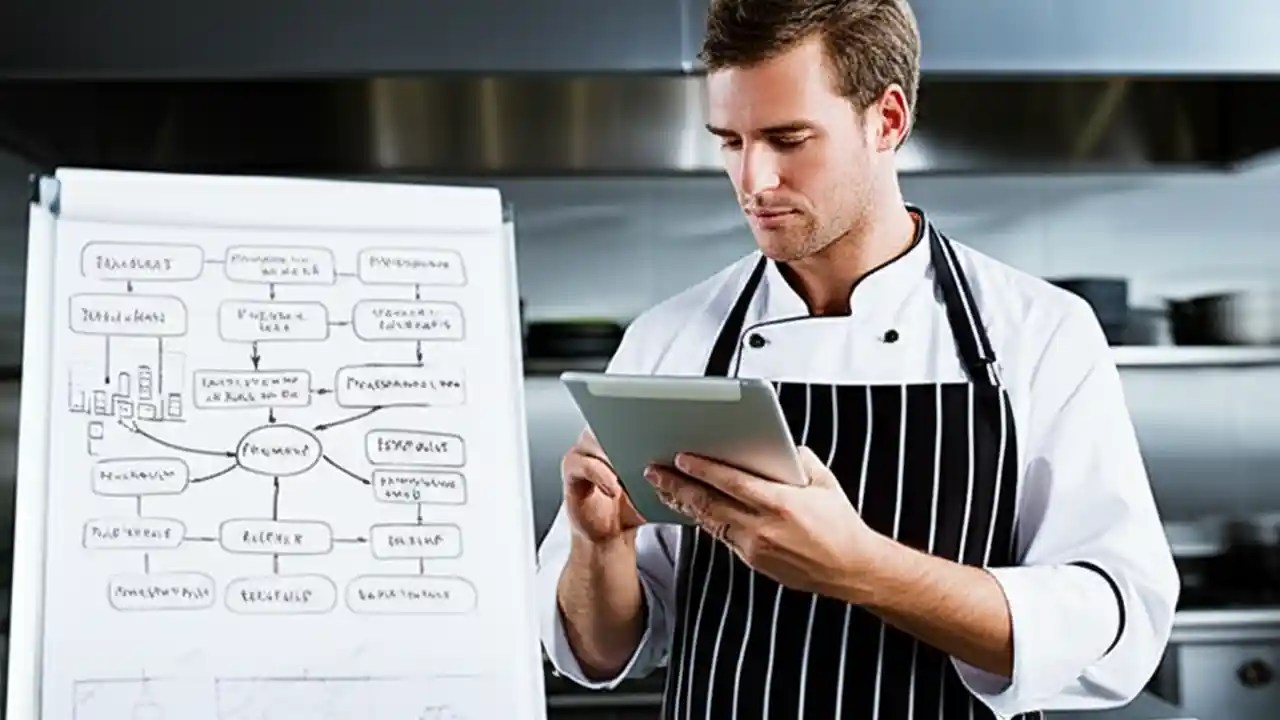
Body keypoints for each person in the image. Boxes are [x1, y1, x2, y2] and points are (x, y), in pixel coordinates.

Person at [535, 0, 1179, 717]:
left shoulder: (1038, 334)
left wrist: (862, 569)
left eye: (788, 138)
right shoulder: (670, 339)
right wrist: (599, 547)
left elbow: (1113, 623)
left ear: (889, 120)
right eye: (730, 141)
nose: (754, 181)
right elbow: (602, 652)